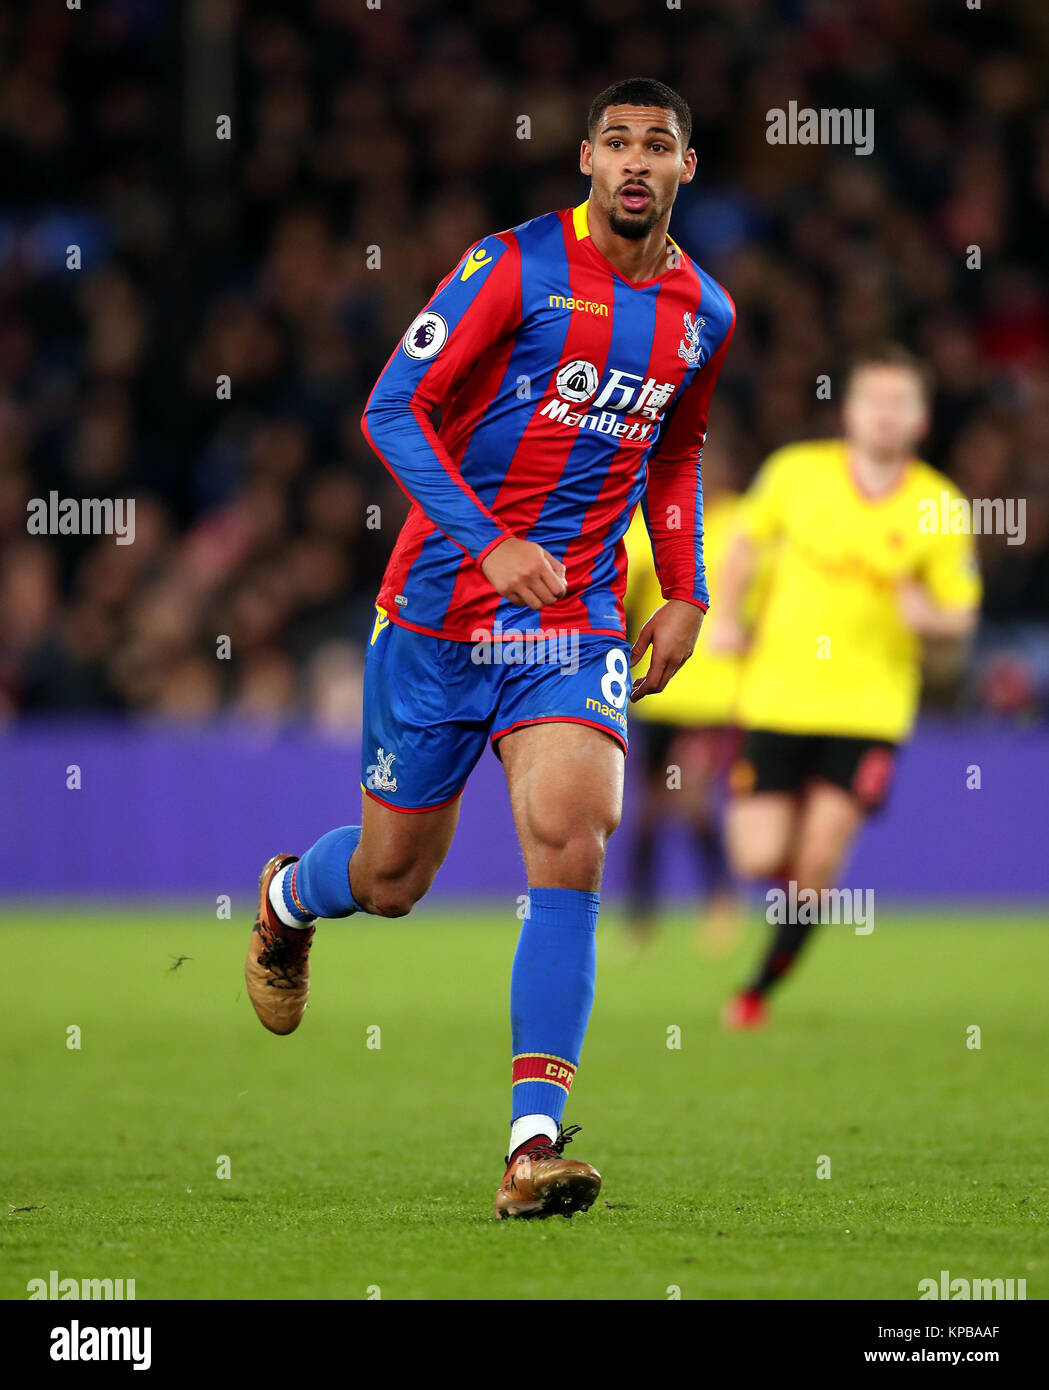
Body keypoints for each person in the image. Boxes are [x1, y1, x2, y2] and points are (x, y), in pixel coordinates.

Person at [243, 77, 736, 1218]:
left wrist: (687, 592)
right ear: (581, 158)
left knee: (573, 831)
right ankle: (289, 898)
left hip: (572, 618)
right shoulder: (512, 265)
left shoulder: (703, 312)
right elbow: (390, 407)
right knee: (392, 876)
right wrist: (490, 537)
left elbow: (675, 452)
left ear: (683, 171)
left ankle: (530, 1144)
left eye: (654, 146)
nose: (631, 162)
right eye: (613, 142)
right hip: (437, 611)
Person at [706, 347, 981, 1029]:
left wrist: (933, 620)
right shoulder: (795, 475)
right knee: (758, 854)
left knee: (817, 860)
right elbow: (744, 544)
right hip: (776, 695)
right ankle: (793, 854)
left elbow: (961, 612)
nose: (883, 415)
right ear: (849, 410)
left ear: (919, 420)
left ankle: (754, 992)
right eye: (871, 400)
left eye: (899, 403)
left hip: (868, 708)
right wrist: (728, 616)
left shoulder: (938, 505)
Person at [622, 437, 750, 952]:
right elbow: (620, 585)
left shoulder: (746, 525)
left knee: (692, 798)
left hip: (715, 697)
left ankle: (721, 903)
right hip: (657, 693)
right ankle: (640, 920)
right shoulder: (653, 522)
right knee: (650, 812)